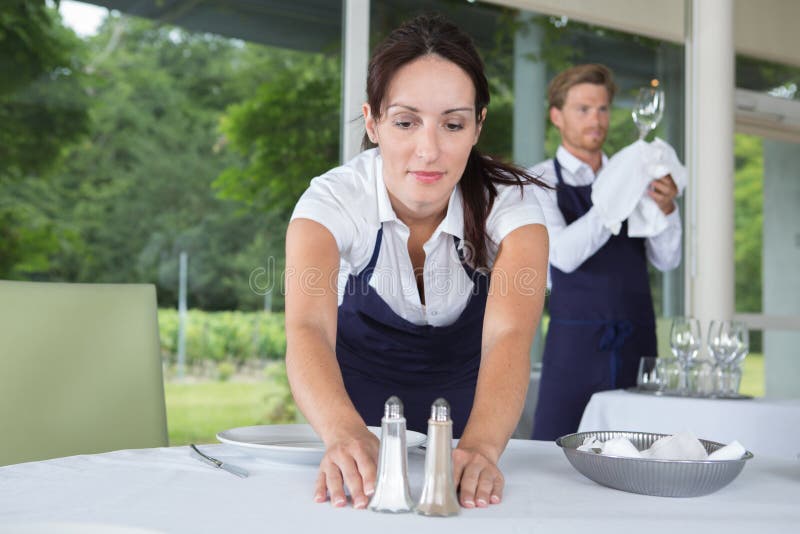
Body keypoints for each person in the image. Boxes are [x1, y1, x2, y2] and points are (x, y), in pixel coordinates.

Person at [284, 15, 549, 511]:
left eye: (452, 124)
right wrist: (342, 433)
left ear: (478, 126)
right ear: (372, 122)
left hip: (473, 434)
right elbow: (306, 328)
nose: (429, 151)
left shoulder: (511, 207)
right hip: (353, 431)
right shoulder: (331, 202)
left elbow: (509, 335)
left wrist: (483, 447)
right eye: (405, 122)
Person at [529, 64, 682, 441]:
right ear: (557, 116)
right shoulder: (539, 181)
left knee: (641, 454)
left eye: (602, 109)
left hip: (638, 344)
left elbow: (667, 260)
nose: (595, 119)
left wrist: (667, 211)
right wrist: (615, 198)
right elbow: (562, 254)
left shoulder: (637, 176)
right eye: (583, 109)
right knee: (555, 454)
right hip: (573, 350)